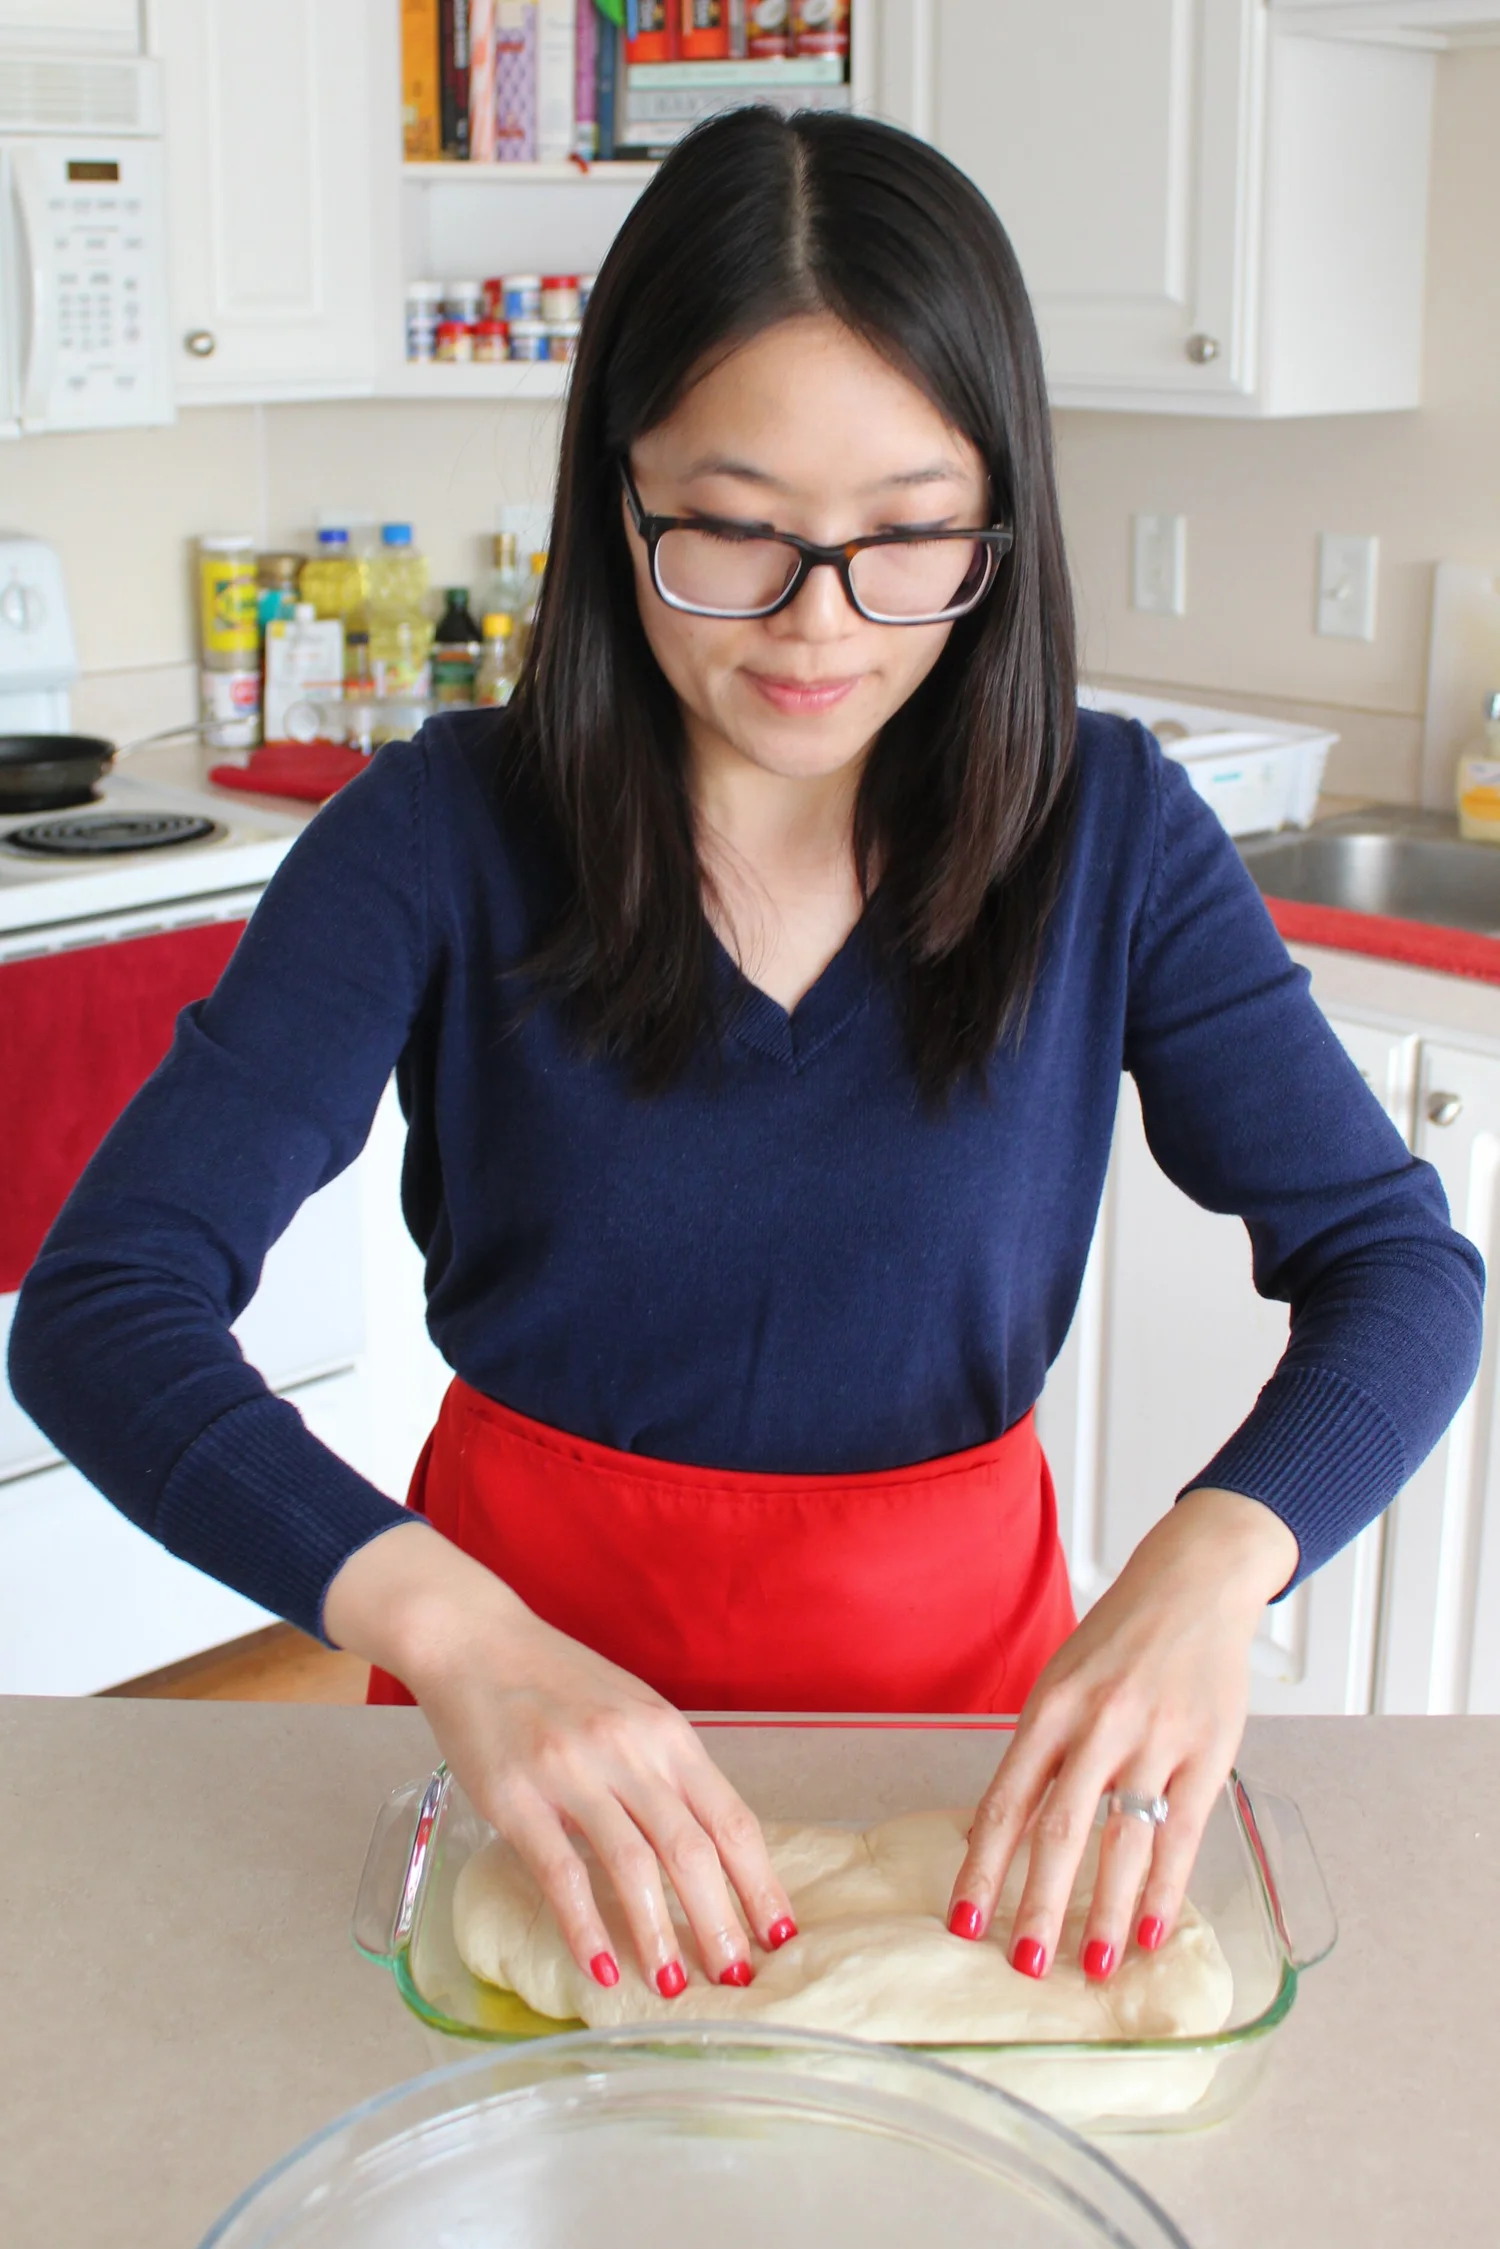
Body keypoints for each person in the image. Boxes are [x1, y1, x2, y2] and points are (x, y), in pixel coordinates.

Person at [10, 109, 1482, 2006]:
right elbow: (106, 1307)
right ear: (617, 492)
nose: (821, 626)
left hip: (958, 1746)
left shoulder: (1111, 834)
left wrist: (1212, 1568)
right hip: (505, 1713)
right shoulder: (435, 831)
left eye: (908, 538)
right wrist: (459, 1635)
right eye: (733, 531)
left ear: (999, 517)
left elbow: (1400, 1267)